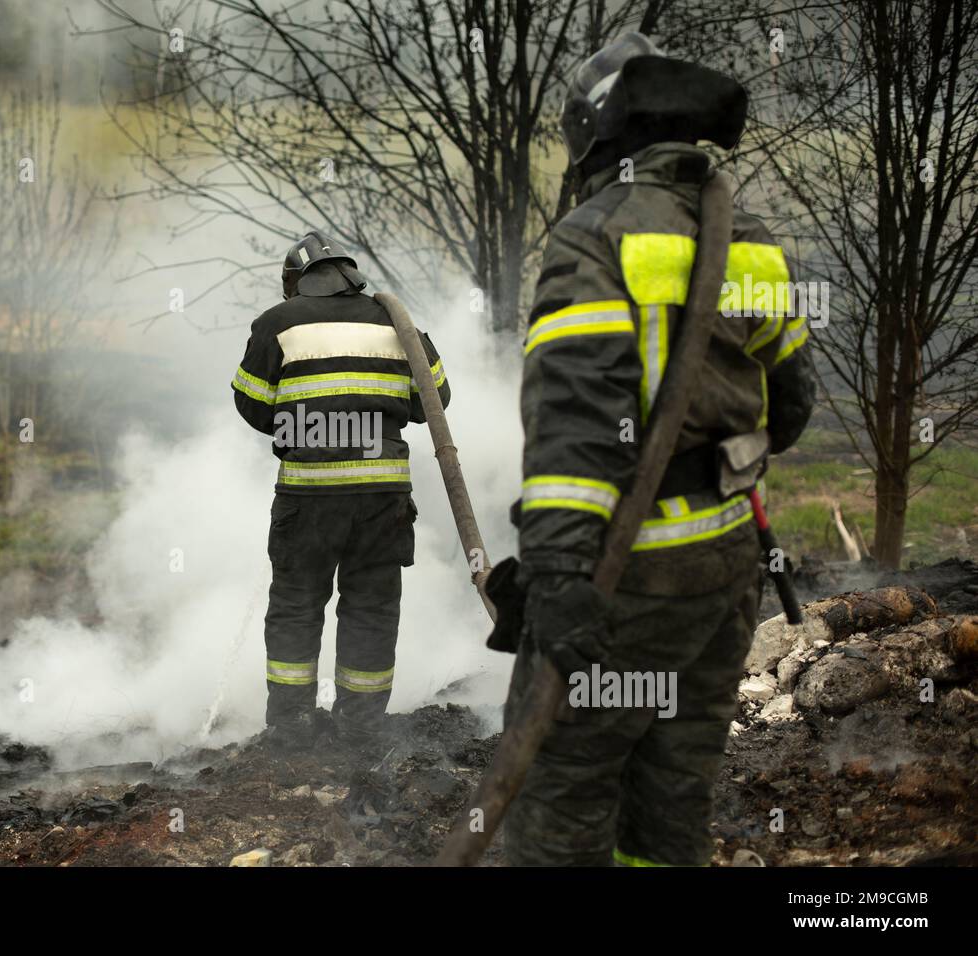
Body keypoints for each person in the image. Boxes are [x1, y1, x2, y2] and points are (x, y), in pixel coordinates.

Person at [505, 33, 816, 865]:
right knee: (671, 800)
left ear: (594, 131)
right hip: (723, 572)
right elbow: (789, 414)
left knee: (560, 797)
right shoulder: (752, 239)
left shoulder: (594, 238)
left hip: (627, 581)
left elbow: (574, 436)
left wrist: (562, 581)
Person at [232, 231, 451, 751]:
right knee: (371, 606)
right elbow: (434, 400)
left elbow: (253, 404)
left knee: (296, 604)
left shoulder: (277, 323)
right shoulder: (397, 324)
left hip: (308, 500)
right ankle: (362, 728)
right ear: (350, 274)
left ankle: (290, 730)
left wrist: (305, 427)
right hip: (382, 501)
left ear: (296, 281)